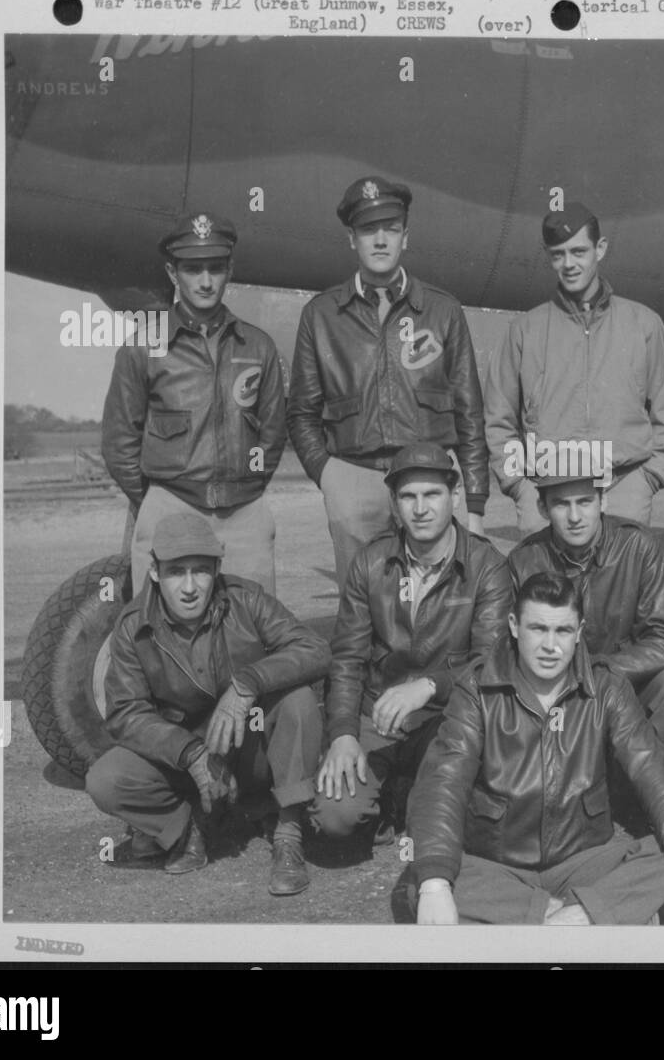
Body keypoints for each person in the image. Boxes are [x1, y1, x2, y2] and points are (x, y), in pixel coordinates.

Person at [407, 571, 664, 925]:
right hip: (497, 867)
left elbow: (651, 769)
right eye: (538, 629)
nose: (550, 646)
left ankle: (541, 920)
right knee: (422, 874)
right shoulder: (476, 688)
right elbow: (443, 784)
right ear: (514, 625)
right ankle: (585, 915)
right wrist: (435, 884)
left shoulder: (606, 686)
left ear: (578, 632)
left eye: (562, 631)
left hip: (582, 863)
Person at [86, 513, 330, 896]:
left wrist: (248, 682)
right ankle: (190, 828)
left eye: (200, 571)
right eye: (175, 572)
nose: (189, 587)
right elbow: (126, 713)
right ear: (153, 572)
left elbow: (314, 650)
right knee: (106, 779)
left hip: (252, 749)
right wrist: (190, 753)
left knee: (298, 700)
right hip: (185, 760)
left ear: (218, 567)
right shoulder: (133, 626)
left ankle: (288, 831)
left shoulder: (246, 600)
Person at [287, 177, 488, 590]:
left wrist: (476, 501)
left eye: (391, 229)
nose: (380, 240)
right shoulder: (321, 316)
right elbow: (301, 412)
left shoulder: (443, 310)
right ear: (351, 239)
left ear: (405, 237)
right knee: (365, 606)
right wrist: (330, 476)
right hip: (354, 477)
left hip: (429, 476)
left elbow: (470, 410)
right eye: (367, 230)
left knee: (439, 602)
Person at [312, 443, 512, 846]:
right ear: (394, 502)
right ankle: (392, 788)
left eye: (432, 494)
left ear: (454, 497)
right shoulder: (370, 563)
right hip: (379, 715)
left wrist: (429, 686)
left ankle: (411, 789)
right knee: (334, 818)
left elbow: (490, 662)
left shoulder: (488, 566)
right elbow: (347, 659)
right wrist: (343, 734)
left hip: (448, 716)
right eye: (408, 497)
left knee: (478, 817)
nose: (420, 508)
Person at [102, 213, 286, 594]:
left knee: (251, 634)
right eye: (192, 269)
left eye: (215, 268)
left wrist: (245, 486)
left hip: (244, 511)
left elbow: (272, 433)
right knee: (163, 639)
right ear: (173, 273)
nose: (205, 281)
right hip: (172, 507)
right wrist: (159, 497)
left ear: (229, 270)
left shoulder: (257, 346)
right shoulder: (144, 346)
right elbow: (120, 442)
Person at [506, 468, 664, 792]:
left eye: (585, 501)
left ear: (603, 500)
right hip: (555, 692)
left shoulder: (638, 546)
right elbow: (510, 649)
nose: (574, 516)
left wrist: (600, 670)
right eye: (561, 504)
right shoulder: (523, 560)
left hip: (626, 683)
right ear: (543, 508)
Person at [485, 203, 664, 531]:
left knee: (621, 582)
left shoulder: (643, 324)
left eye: (579, 251)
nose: (569, 264)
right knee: (546, 584)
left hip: (624, 488)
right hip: (548, 494)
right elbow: (498, 419)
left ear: (600, 249)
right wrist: (518, 486)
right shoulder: (524, 330)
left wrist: (649, 478)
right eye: (558, 254)